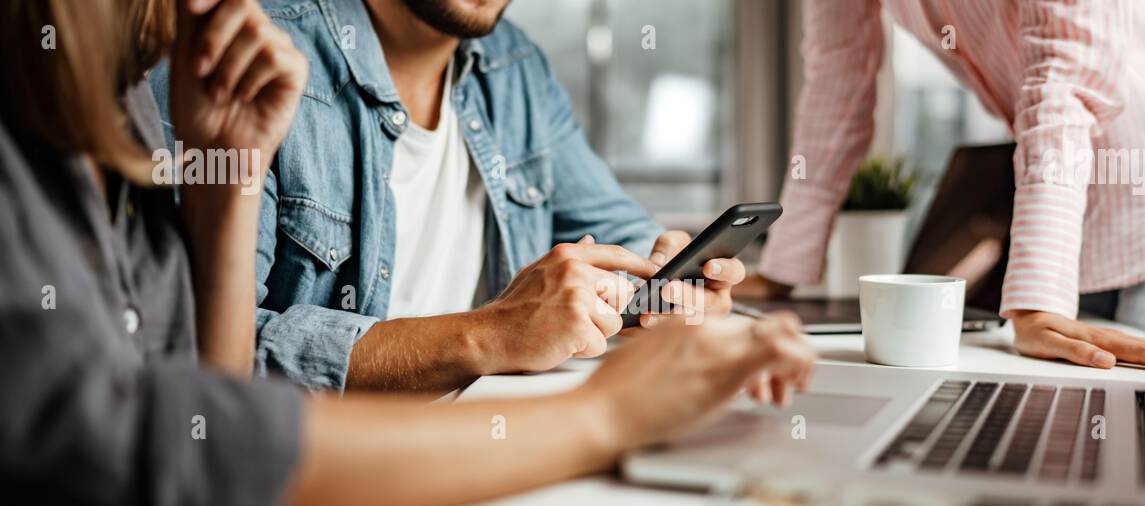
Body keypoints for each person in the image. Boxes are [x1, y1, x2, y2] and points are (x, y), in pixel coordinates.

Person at [0, 0, 814, 506]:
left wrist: (668, 282)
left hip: (399, 504)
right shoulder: (250, 57)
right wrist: (577, 398)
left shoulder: (138, 106)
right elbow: (184, 442)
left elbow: (205, 414)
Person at [147, 0, 744, 395]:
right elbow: (205, 363)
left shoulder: (513, 67)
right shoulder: (239, 66)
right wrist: (488, 335)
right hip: (320, 479)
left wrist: (668, 277)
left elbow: (624, 235)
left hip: (489, 449)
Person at [738, 0, 1145, 371]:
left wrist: (1037, 299)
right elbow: (837, 83)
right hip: (1083, 206)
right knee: (1075, 405)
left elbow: (1062, 84)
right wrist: (782, 271)